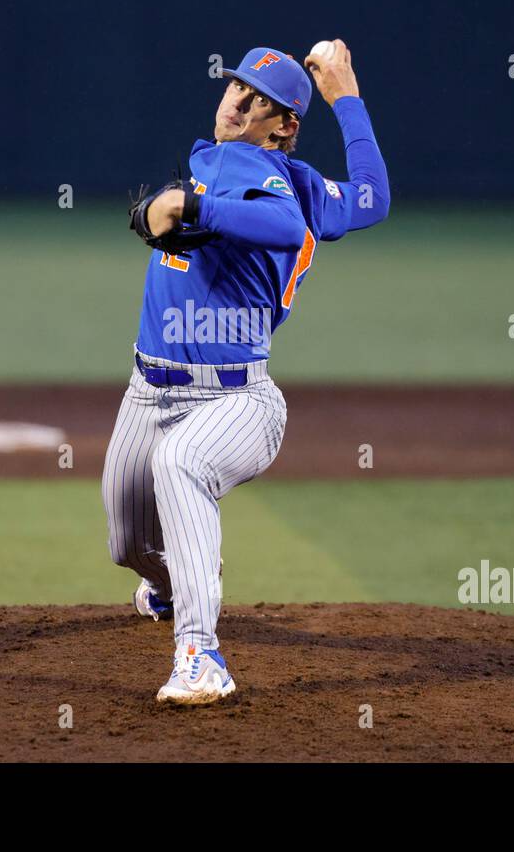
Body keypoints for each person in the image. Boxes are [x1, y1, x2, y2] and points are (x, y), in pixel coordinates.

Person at [102, 41, 391, 704]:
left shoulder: (283, 185)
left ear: (284, 124)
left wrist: (345, 99)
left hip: (239, 398)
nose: (235, 100)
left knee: (180, 464)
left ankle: (202, 657)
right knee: (127, 543)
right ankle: (174, 588)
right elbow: (370, 198)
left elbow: (283, 226)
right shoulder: (214, 160)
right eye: (234, 86)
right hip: (147, 390)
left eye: (256, 99)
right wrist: (175, 205)